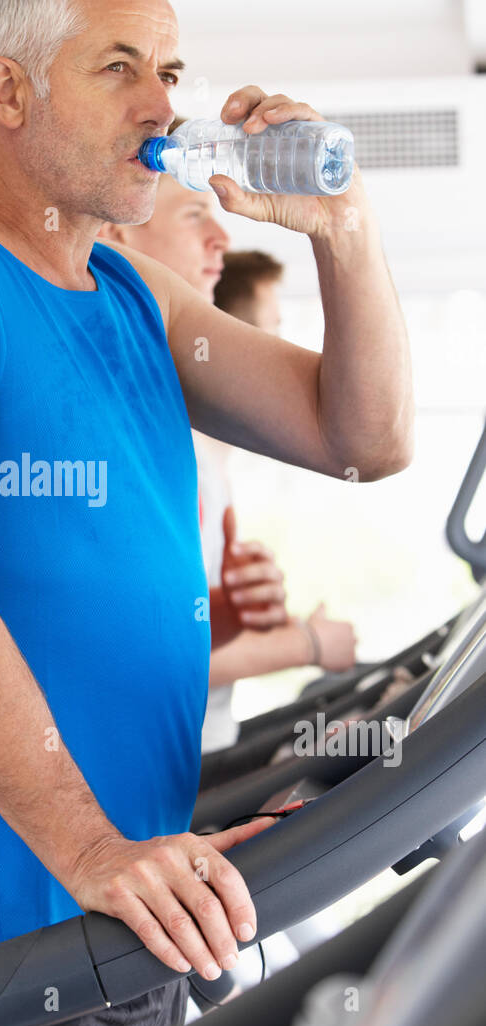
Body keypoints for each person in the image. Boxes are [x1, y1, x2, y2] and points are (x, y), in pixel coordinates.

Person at [0, 0, 413, 1026]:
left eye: (173, 73)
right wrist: (90, 848)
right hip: (19, 917)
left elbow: (366, 441)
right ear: (7, 90)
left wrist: (343, 234)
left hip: (133, 901)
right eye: (119, 67)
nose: (162, 103)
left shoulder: (135, 294)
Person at [99, 166, 357, 751]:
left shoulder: (186, 447)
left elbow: (172, 623)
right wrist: (306, 646)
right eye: (194, 216)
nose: (222, 239)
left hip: (190, 754)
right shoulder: (128, 431)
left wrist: (239, 605)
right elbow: (133, 657)